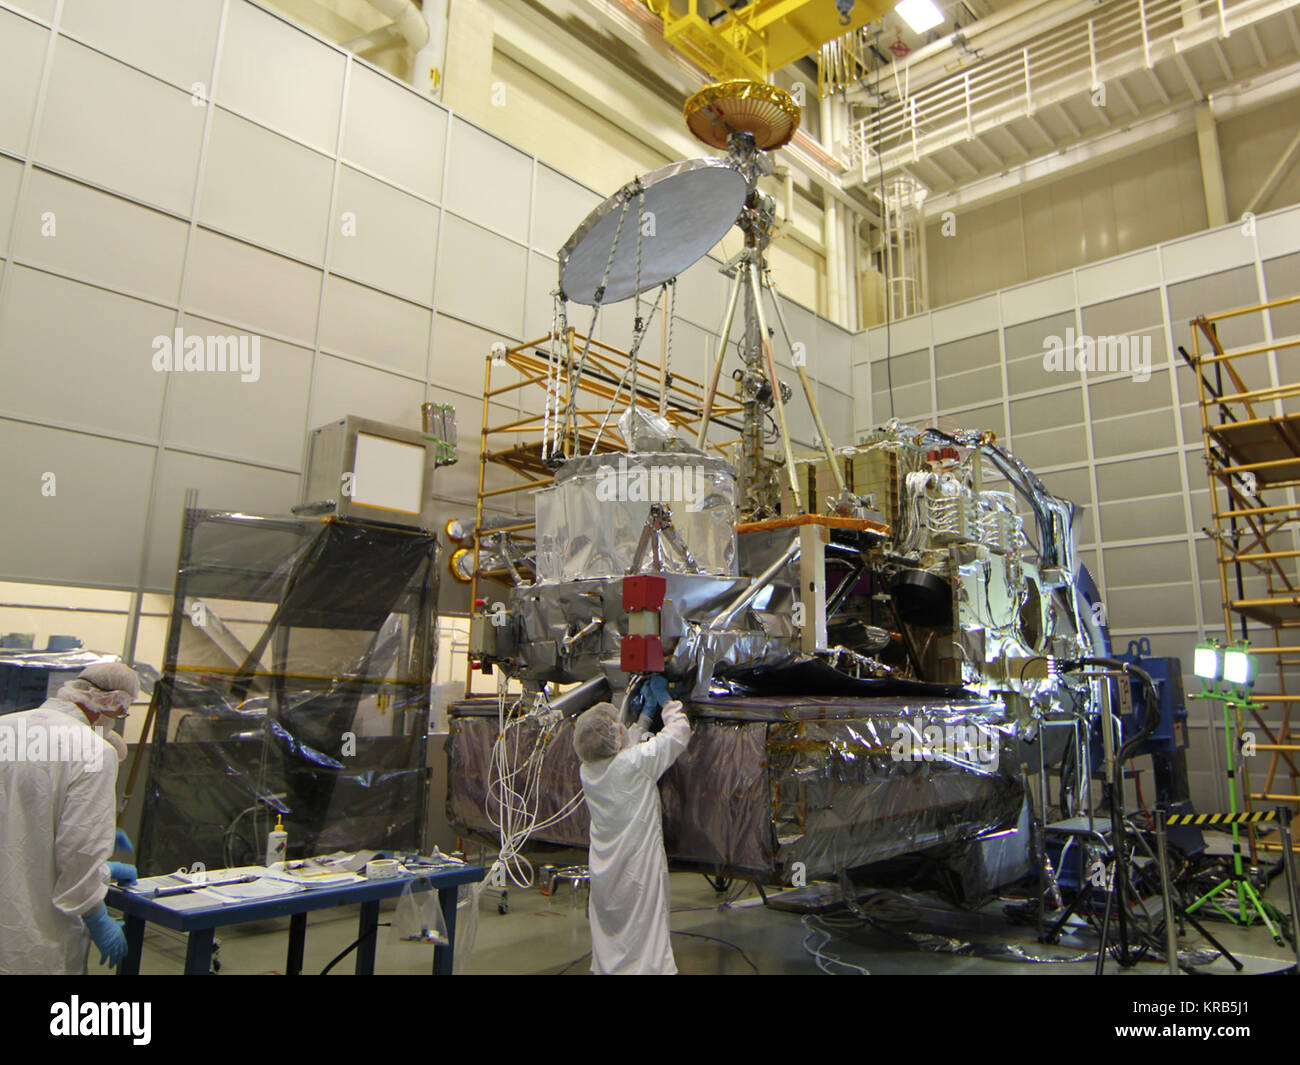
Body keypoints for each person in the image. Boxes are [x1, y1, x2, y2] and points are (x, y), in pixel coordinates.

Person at [0, 662, 141, 974]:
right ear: (113, 702)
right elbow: (79, 851)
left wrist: (102, 868)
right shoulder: (94, 752)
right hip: (32, 936)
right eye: (121, 714)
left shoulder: (6, 728)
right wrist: (95, 913)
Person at [572, 698, 691, 974]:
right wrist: (667, 704)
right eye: (617, 725)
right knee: (643, 929)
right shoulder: (635, 764)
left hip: (606, 868)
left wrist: (644, 720)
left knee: (611, 928)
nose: (622, 727)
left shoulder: (588, 770)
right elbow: (677, 734)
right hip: (638, 868)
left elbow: (625, 746)